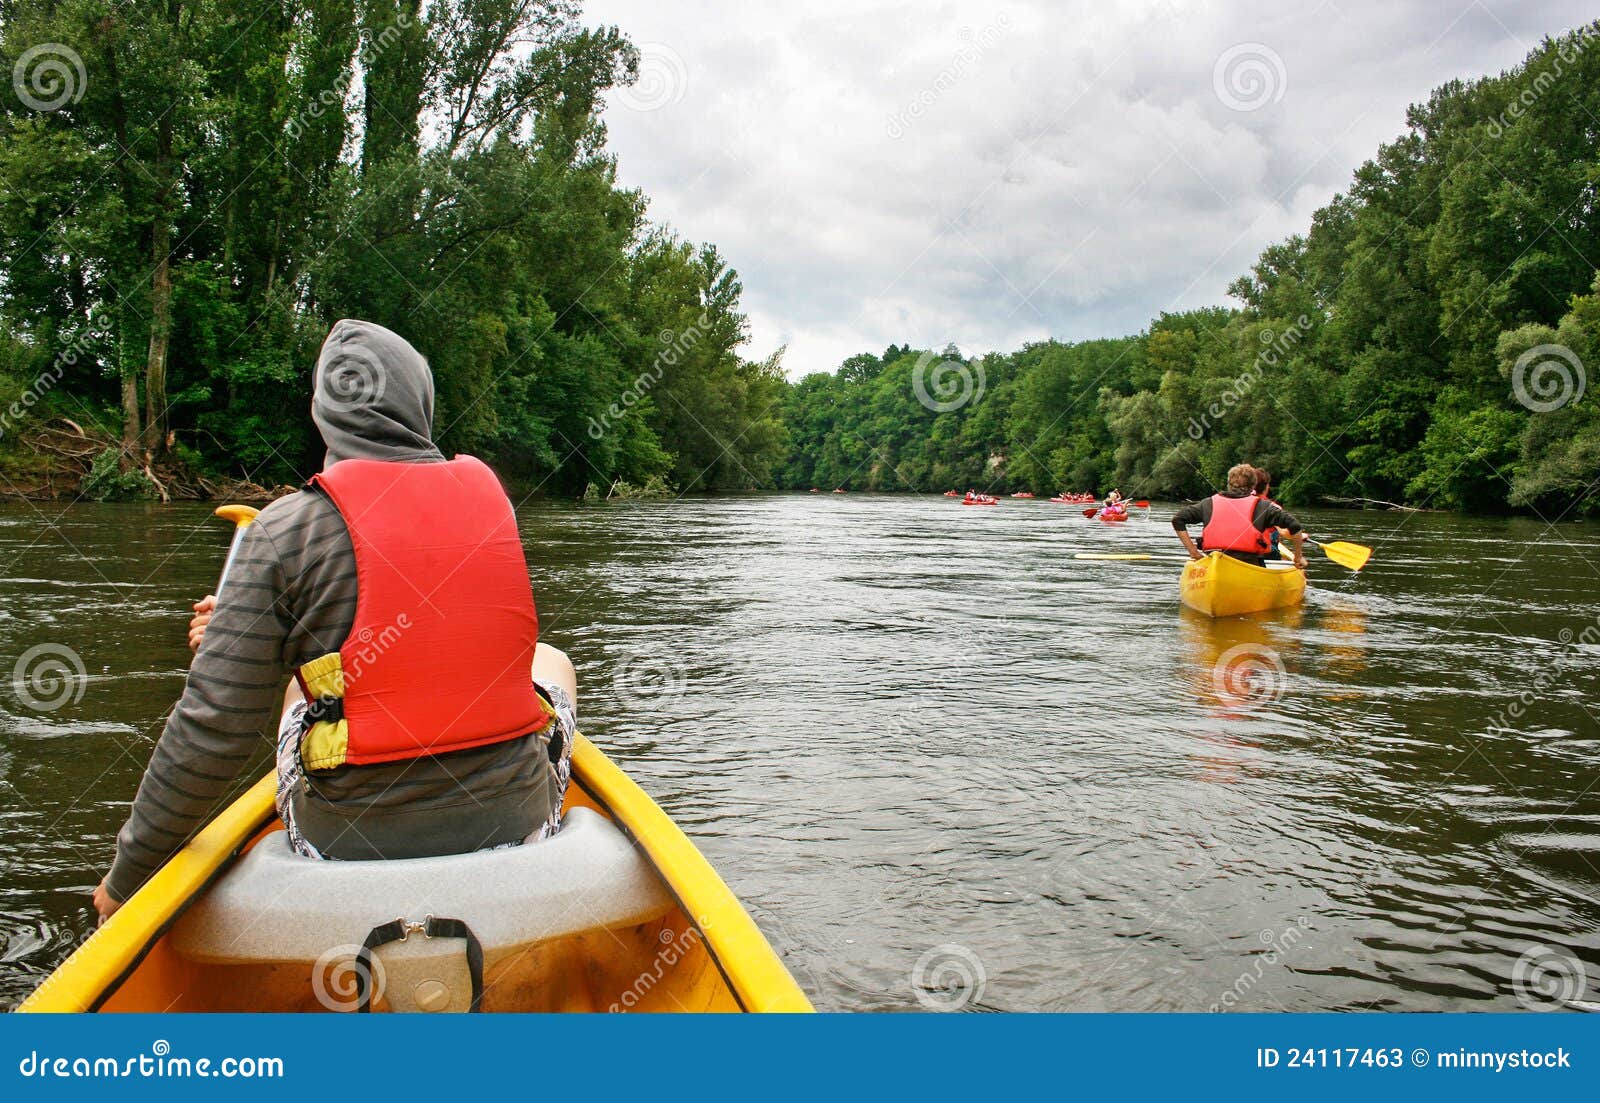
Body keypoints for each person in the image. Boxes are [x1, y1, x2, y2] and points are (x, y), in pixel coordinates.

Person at [92, 319, 579, 922]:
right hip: (516, 823)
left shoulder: (284, 528)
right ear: (420, 405)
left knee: (294, 700)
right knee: (552, 660)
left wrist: (126, 879)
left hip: (343, 843)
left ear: (324, 412)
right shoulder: (493, 503)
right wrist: (248, 629)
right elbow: (441, 632)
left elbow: (213, 729)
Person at [1171, 462, 1306, 568]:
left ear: (1229, 484)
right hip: (1249, 564)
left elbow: (1178, 520)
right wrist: (1298, 557)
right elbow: (1294, 526)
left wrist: (1193, 552)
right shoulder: (1264, 507)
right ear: (1253, 486)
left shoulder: (1208, 503)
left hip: (1213, 561)